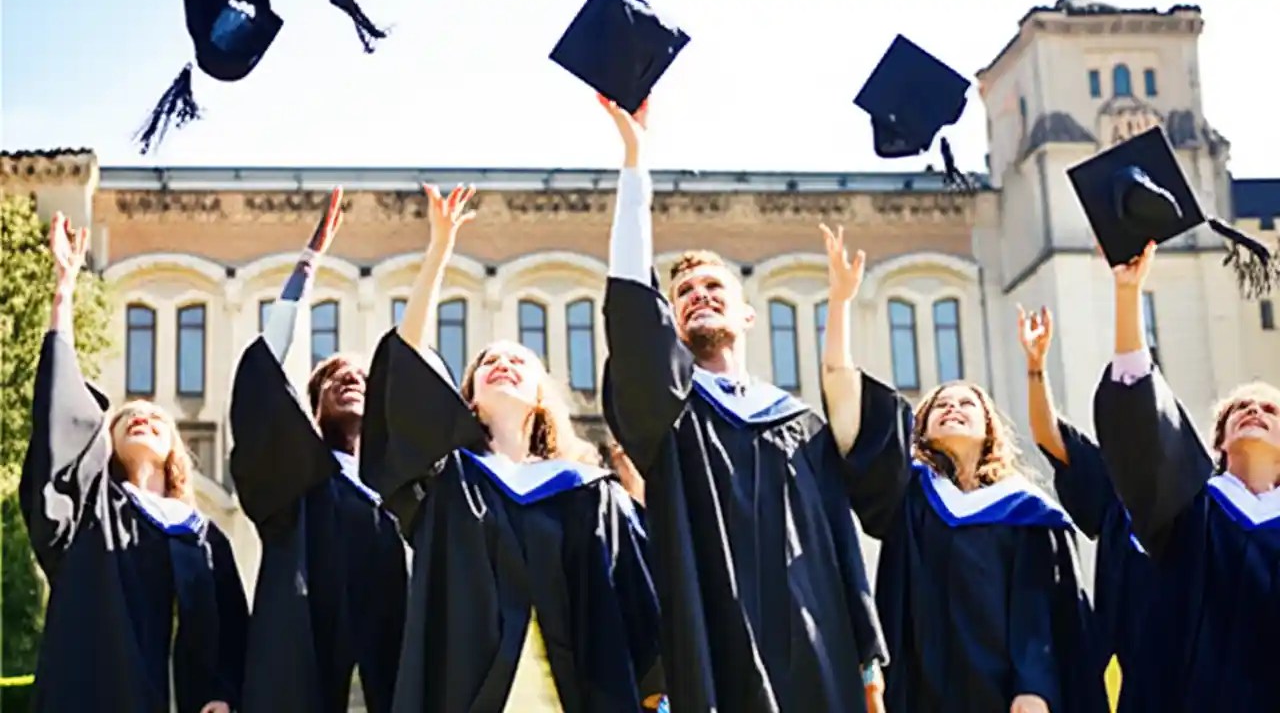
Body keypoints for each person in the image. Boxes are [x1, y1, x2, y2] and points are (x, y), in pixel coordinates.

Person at [598, 95, 887, 712]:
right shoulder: (673, 419)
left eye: (712, 287)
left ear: (748, 313)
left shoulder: (802, 428)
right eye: (683, 293)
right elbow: (628, 298)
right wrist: (635, 162)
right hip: (717, 647)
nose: (697, 296)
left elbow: (841, 541)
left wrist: (867, 656)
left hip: (818, 649)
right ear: (671, 322)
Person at [360, 183, 664, 712]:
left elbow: (638, 603)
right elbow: (407, 378)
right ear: (469, 402)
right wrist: (438, 252)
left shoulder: (589, 493)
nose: (502, 363)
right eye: (487, 363)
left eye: (518, 361)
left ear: (542, 398)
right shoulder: (451, 482)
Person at [825, 225, 1103, 713]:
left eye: (967, 403)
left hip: (1008, 700)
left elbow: (1039, 611)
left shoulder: (1029, 514)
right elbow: (848, 414)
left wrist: (1034, 688)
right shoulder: (909, 495)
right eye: (940, 405)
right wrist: (841, 304)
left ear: (991, 426)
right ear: (923, 431)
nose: (953, 407)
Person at [20, 214, 248, 713]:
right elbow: (63, 424)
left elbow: (233, 634)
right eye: (129, 418)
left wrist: (221, 697)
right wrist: (64, 293)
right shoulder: (89, 512)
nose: (142, 417)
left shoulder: (207, 539)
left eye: (155, 418)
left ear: (175, 449)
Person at [228, 188, 407, 713]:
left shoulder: (399, 490)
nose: (349, 380)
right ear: (312, 406)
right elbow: (268, 371)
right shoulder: (294, 479)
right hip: (302, 661)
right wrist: (307, 267)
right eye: (334, 378)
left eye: (361, 378)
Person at [1094, 241, 1280, 710]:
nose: (1254, 411)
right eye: (1240, 409)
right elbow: (1144, 427)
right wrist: (1128, 294)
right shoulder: (1186, 507)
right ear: (1218, 441)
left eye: (1270, 409)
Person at [1019, 305, 1165, 712]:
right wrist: (1035, 369)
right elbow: (1050, 438)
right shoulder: (1115, 488)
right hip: (1127, 663)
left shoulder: (1207, 498)